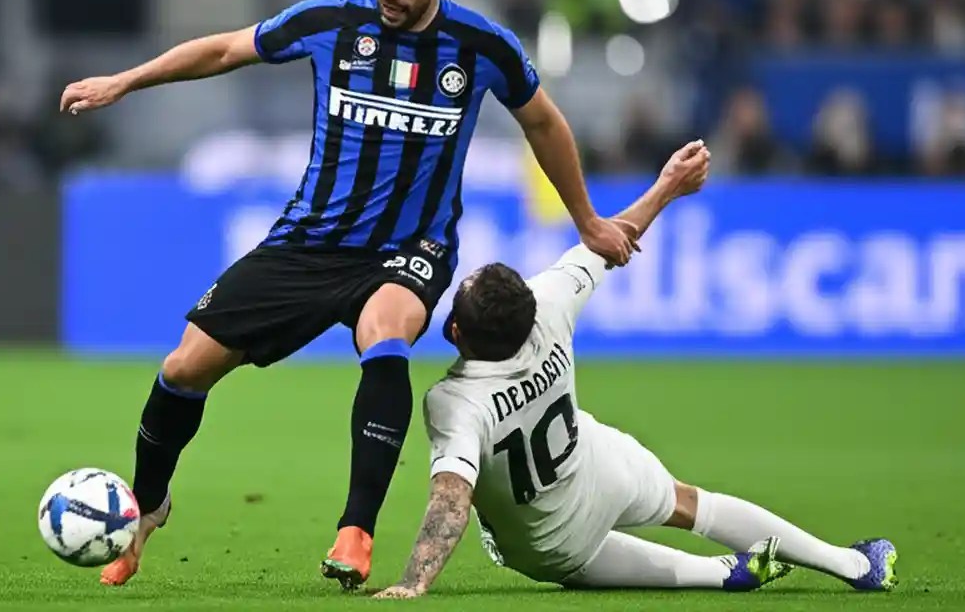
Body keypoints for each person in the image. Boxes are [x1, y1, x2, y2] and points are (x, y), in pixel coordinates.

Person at [58, 0, 636, 590]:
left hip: (410, 247)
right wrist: (126, 81)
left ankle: (355, 529)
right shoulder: (331, 21)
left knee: (385, 329)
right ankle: (147, 509)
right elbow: (225, 48)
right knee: (184, 367)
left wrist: (586, 220)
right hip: (309, 240)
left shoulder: (481, 47)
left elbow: (544, 124)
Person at [375, 140, 900, 598]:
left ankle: (721, 574)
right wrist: (668, 185)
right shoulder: (549, 302)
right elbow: (611, 240)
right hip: (601, 470)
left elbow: (451, 500)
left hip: (547, 545)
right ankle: (852, 563)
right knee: (693, 504)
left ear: (456, 334)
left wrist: (414, 583)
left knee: (582, 554)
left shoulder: (455, 401)